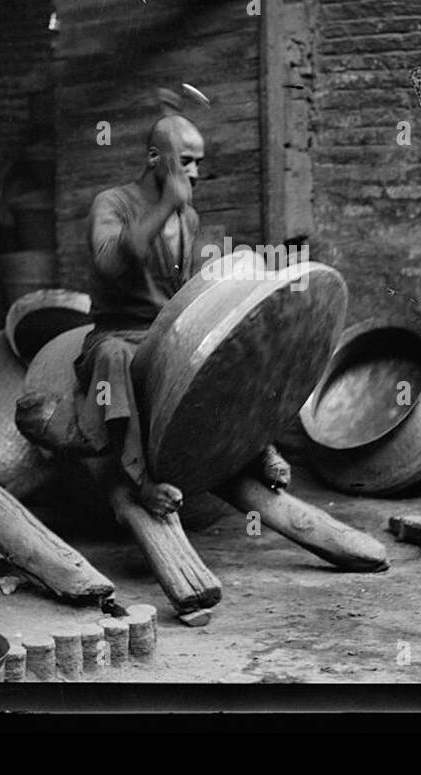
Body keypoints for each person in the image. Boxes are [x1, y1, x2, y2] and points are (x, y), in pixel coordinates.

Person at [74, 114, 291, 518]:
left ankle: (257, 449)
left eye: (199, 163)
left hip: (167, 332)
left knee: (232, 341)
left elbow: (181, 291)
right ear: (155, 157)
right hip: (119, 334)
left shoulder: (187, 217)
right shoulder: (112, 202)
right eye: (186, 161)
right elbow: (111, 263)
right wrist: (165, 205)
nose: (195, 173)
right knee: (112, 358)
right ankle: (139, 481)